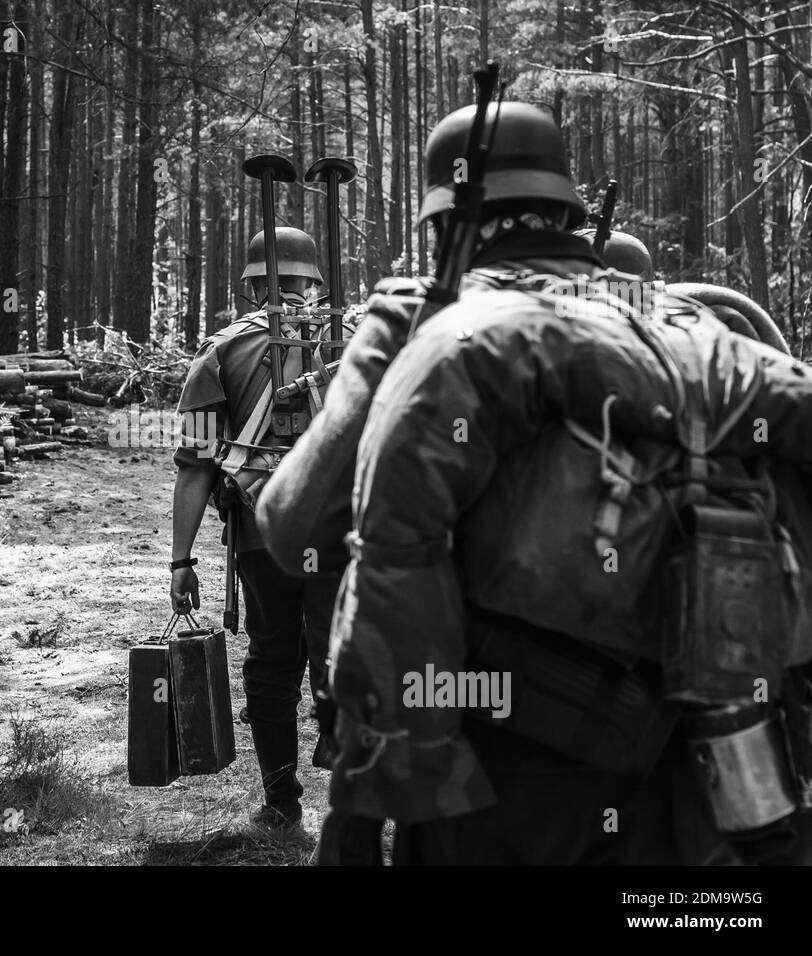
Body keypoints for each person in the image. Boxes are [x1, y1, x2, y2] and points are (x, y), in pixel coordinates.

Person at [308, 101, 812, 865]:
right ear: (568, 212)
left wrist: (370, 797)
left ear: (448, 226)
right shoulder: (702, 331)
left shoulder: (454, 345)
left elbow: (394, 572)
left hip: (517, 779)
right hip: (715, 761)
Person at [170, 226, 350, 835]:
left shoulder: (217, 353)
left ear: (249, 286)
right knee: (343, 657)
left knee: (272, 660)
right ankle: (353, 802)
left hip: (260, 530)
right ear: (315, 283)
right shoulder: (355, 345)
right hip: (342, 531)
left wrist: (181, 561)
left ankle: (280, 805)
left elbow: (195, 468)